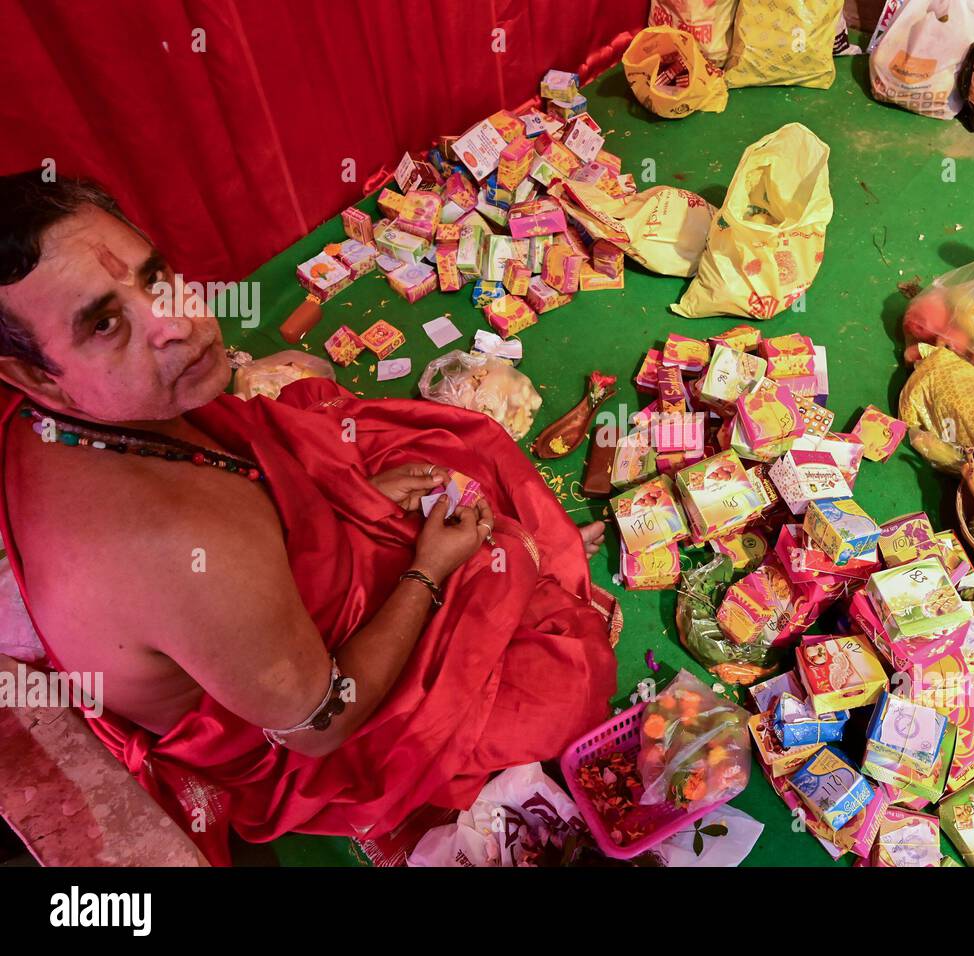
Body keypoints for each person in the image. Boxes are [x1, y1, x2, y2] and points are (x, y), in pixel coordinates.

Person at [0, 171, 617, 865]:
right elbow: (321, 722)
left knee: (451, 446)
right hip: (301, 728)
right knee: (566, 685)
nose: (177, 324)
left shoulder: (69, 413)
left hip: (248, 593)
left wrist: (346, 492)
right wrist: (428, 571)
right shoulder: (169, 542)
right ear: (30, 377)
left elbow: (242, 472)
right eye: (106, 323)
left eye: (156, 276)